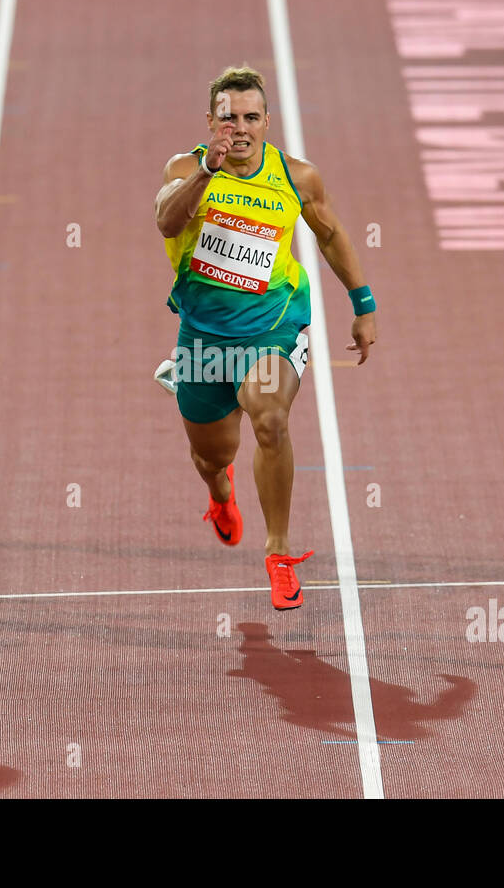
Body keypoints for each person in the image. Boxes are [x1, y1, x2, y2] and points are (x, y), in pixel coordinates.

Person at [155, 67, 377, 610]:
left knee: (269, 415)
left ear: (267, 122)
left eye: (251, 118)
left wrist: (362, 304)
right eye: (228, 118)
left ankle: (278, 554)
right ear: (211, 122)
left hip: (274, 324)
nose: (240, 128)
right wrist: (206, 172)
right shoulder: (186, 168)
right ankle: (220, 494)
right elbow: (166, 221)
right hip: (203, 337)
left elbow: (328, 232)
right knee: (212, 455)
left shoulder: (295, 175)